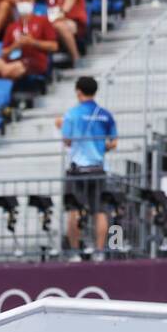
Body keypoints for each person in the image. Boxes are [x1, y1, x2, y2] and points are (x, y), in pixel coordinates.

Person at [57, 75, 118, 259]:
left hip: (77, 170)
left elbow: (67, 141)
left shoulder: (72, 114)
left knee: (73, 211)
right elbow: (113, 143)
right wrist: (102, 147)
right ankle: (99, 252)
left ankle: (75, 253)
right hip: (98, 169)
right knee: (99, 211)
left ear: (78, 91)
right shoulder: (105, 114)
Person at [0, 0, 58, 81]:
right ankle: (0, 88)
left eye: (27, 0)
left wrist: (32, 42)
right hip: (13, 59)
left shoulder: (43, 21)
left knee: (8, 70)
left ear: (33, 3)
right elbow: (3, 52)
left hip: (34, 60)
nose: (24, 3)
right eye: (21, 1)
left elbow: (54, 46)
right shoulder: (12, 26)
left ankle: (5, 84)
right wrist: (15, 46)